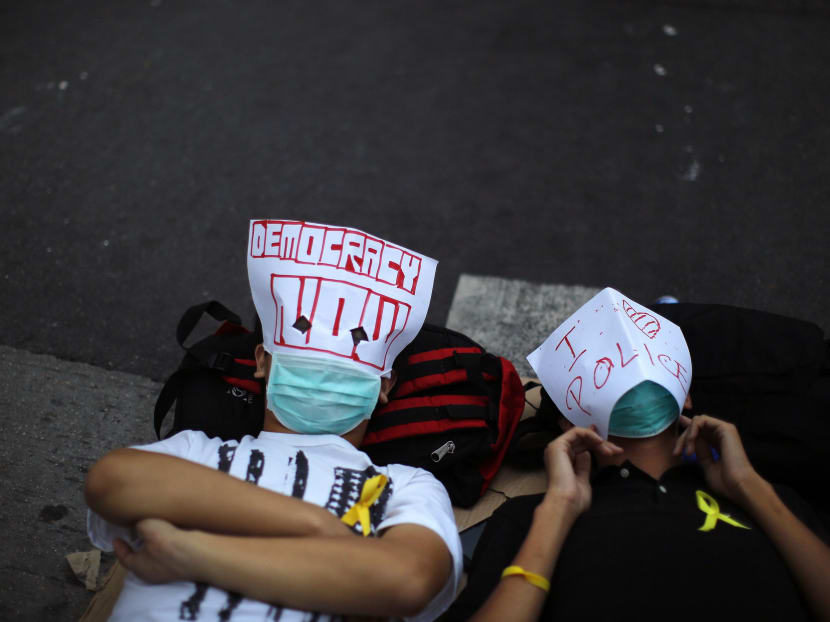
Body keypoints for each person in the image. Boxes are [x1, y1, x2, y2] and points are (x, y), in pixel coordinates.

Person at [85, 221, 462, 621]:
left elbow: (408, 581)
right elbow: (112, 481)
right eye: (305, 352)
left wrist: (192, 554)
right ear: (261, 360)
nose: (323, 373)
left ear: (385, 384)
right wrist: (321, 526)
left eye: (344, 367)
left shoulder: (406, 484)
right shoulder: (196, 449)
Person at [446, 388, 830, 622]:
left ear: (687, 395)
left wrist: (751, 488)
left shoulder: (767, 502)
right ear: (569, 423)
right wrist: (557, 509)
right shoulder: (533, 519)